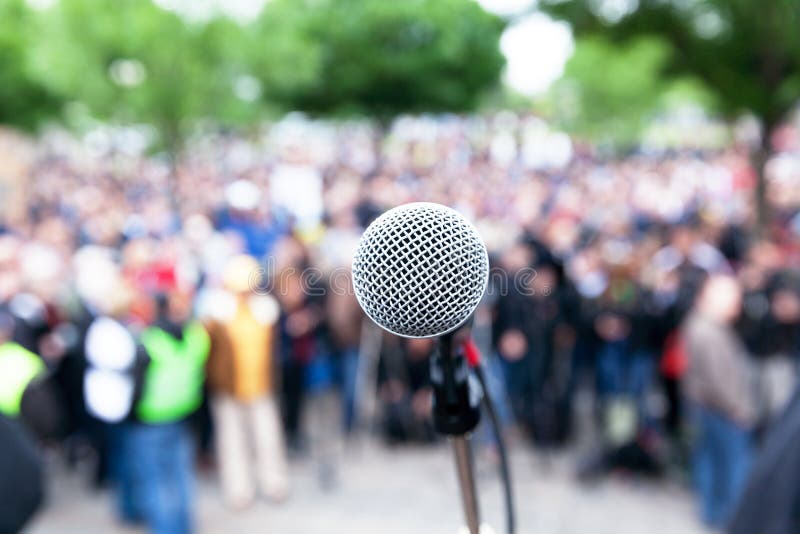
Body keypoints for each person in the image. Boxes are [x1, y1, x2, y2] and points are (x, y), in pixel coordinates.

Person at [119, 291, 209, 534]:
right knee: (180, 476)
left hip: (152, 419)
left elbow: (136, 387)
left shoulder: (149, 341)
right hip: (183, 413)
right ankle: (183, 526)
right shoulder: (195, 335)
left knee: (157, 482)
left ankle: (167, 528)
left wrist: (130, 413)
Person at [204, 255, 289, 509]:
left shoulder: (266, 311)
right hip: (227, 389)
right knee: (231, 442)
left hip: (261, 386)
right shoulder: (216, 315)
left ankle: (273, 483)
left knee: (268, 437)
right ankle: (238, 490)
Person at [682, 275, 756, 528]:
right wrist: (739, 409)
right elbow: (719, 379)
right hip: (720, 410)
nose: (738, 305)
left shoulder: (702, 325)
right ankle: (730, 516)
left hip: (706, 406)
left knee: (709, 462)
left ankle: (712, 513)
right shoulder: (708, 330)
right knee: (732, 466)